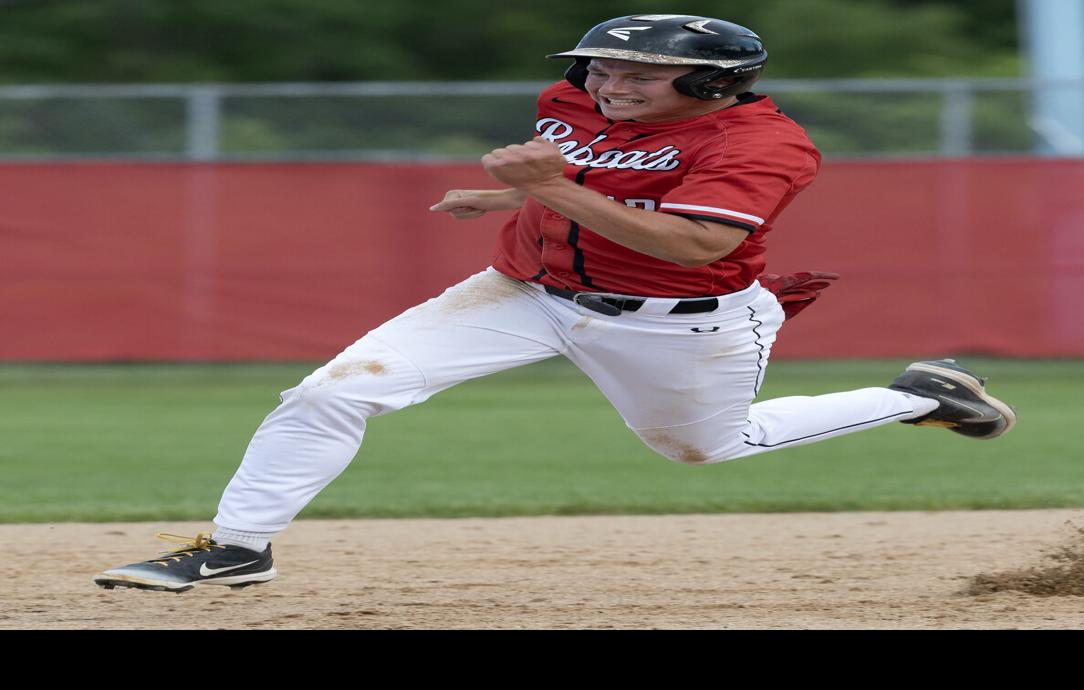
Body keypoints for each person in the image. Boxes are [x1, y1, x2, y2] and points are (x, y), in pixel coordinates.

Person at [93, 14, 1015, 594]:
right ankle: (238, 548)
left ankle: (921, 395)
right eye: (601, 67)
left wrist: (549, 188)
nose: (610, 83)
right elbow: (589, 178)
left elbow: (698, 240)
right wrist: (508, 199)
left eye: (639, 75)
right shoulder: (572, 101)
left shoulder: (763, 144)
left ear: (710, 83)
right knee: (335, 390)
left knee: (707, 449)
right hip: (520, 291)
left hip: (679, 322)